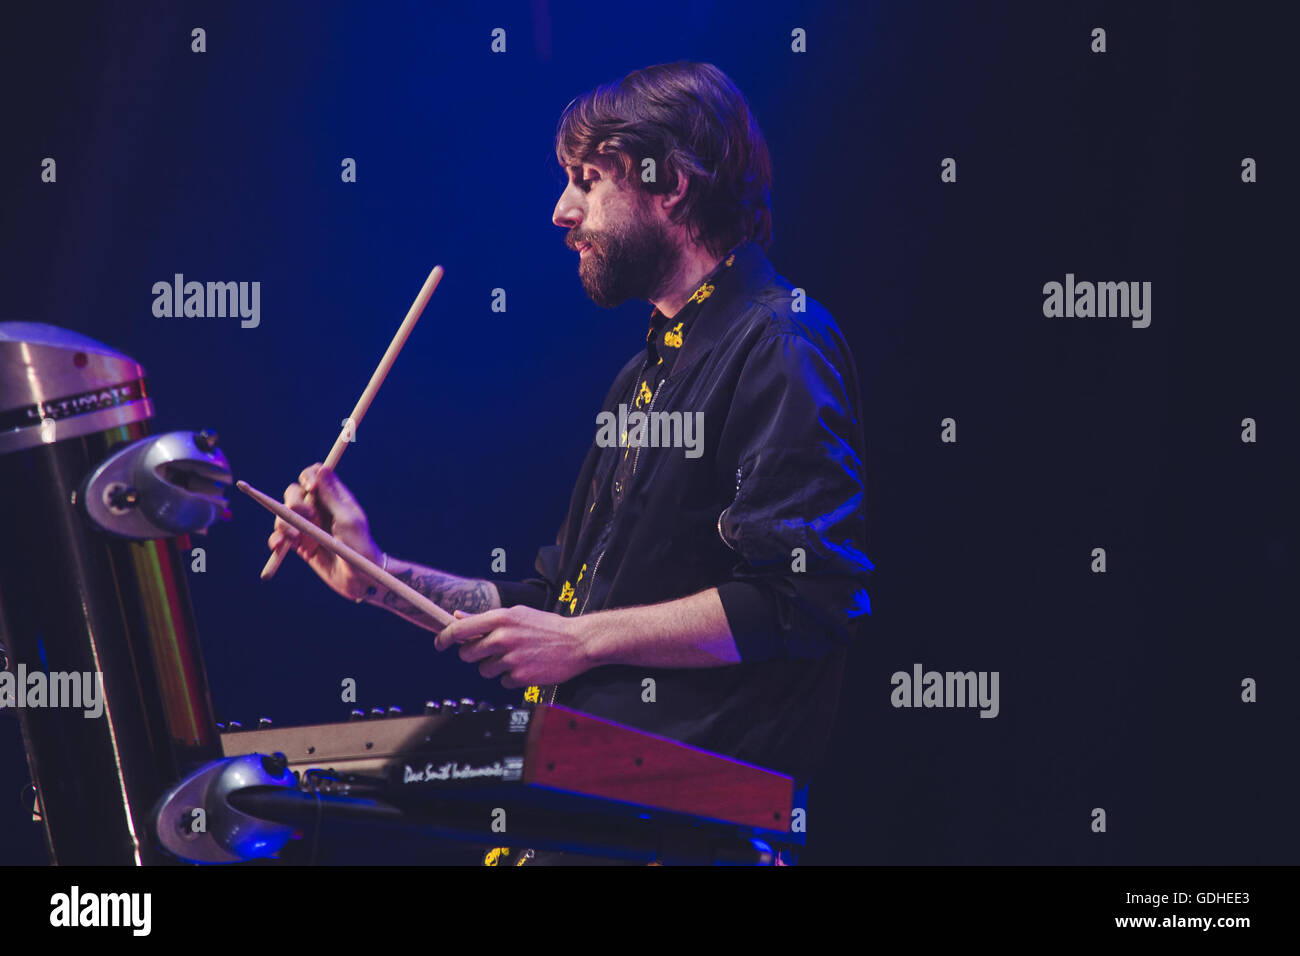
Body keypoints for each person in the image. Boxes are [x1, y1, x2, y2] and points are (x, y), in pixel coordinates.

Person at [268, 61, 873, 864]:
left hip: (684, 838)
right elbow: (554, 606)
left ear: (671, 187)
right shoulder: (643, 374)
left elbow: (805, 597)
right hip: (587, 825)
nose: (562, 211)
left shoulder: (779, 343)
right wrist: (376, 571)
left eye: (589, 181)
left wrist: (584, 641)